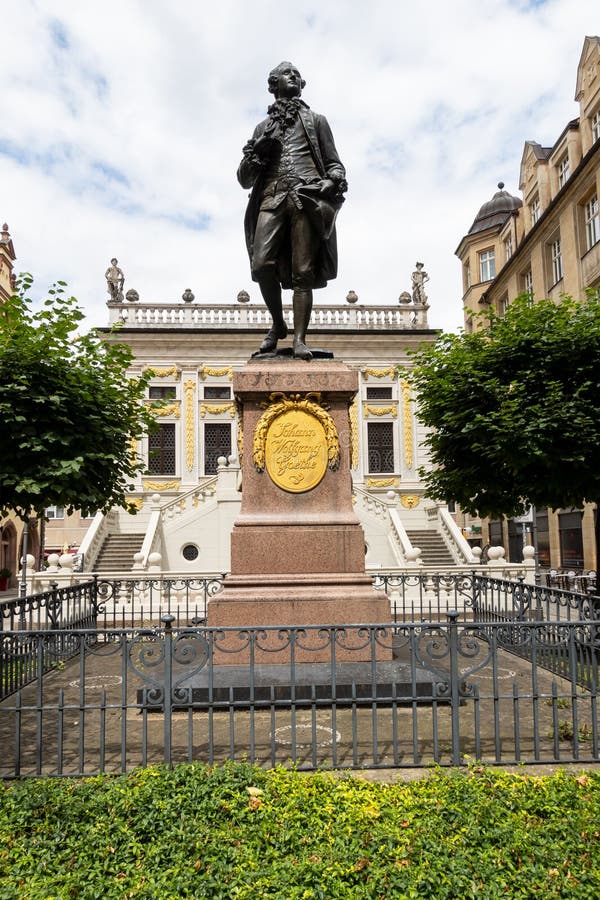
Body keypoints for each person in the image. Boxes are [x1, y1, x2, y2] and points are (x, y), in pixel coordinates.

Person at [238, 62, 347, 360]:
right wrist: (256, 155)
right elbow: (244, 178)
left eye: (298, 75)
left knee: (303, 273)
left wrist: (330, 180)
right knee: (261, 264)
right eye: (289, 74)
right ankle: (278, 322)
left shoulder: (317, 121)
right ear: (273, 84)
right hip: (271, 198)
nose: (295, 79)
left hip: (305, 198)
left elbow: (335, 163)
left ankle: (299, 339)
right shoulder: (262, 128)